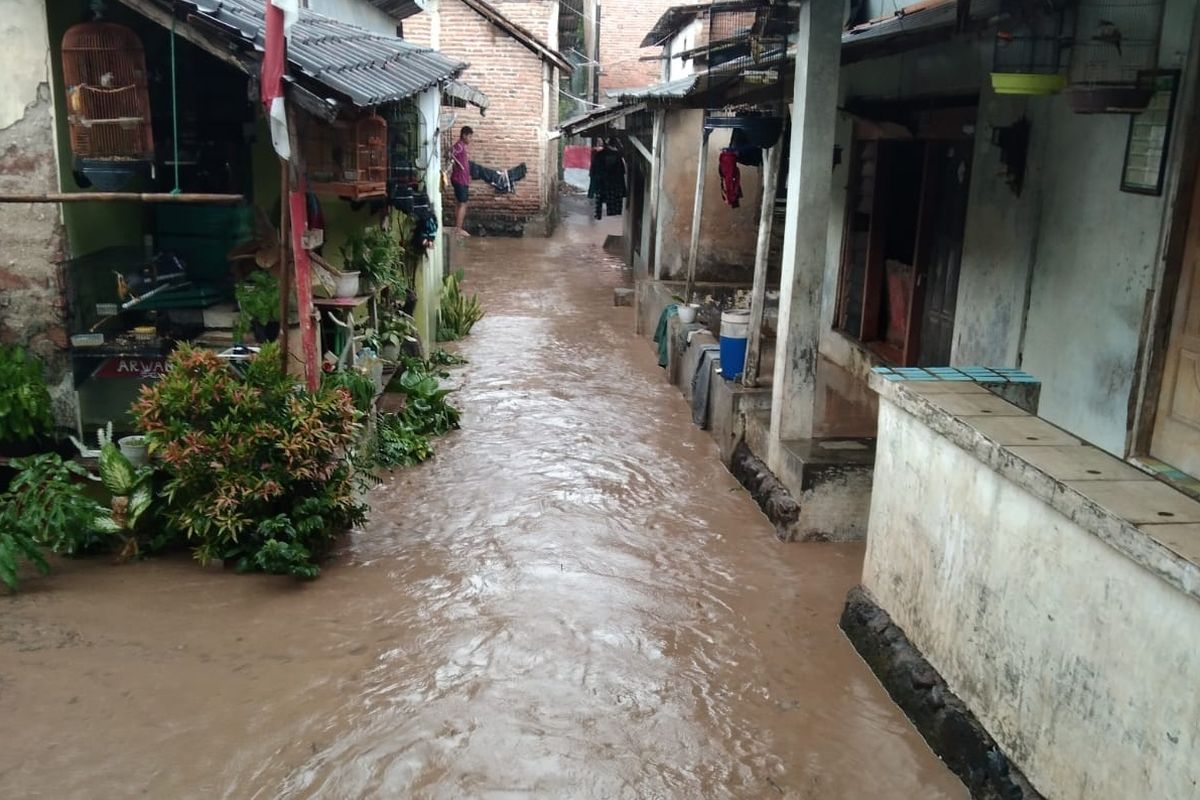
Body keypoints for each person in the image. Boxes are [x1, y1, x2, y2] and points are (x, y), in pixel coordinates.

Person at [451, 126, 473, 236]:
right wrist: (458, 165)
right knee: (463, 204)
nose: (470, 139)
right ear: (464, 135)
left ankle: (457, 227)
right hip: (460, 179)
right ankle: (459, 229)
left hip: (461, 179)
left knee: (459, 203)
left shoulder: (462, 146)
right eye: (469, 136)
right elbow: (449, 153)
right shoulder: (459, 145)